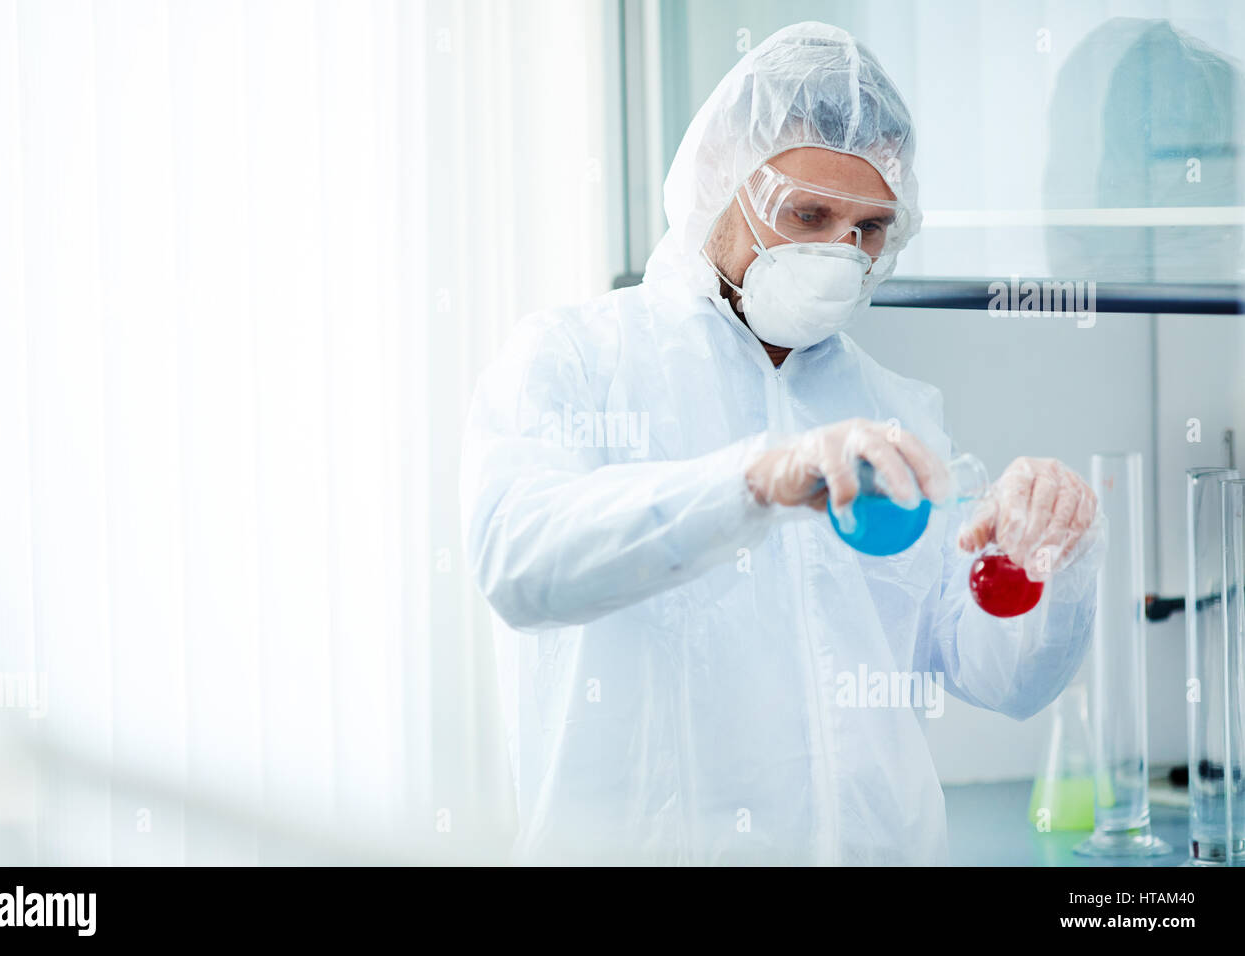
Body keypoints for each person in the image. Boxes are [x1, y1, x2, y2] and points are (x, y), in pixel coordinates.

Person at [460, 21, 1103, 865]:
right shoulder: (577, 358)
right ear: (719, 179)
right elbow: (520, 563)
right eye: (808, 214)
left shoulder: (896, 410)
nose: (840, 253)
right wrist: (756, 480)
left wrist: (1037, 556)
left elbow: (999, 674)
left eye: (868, 229)